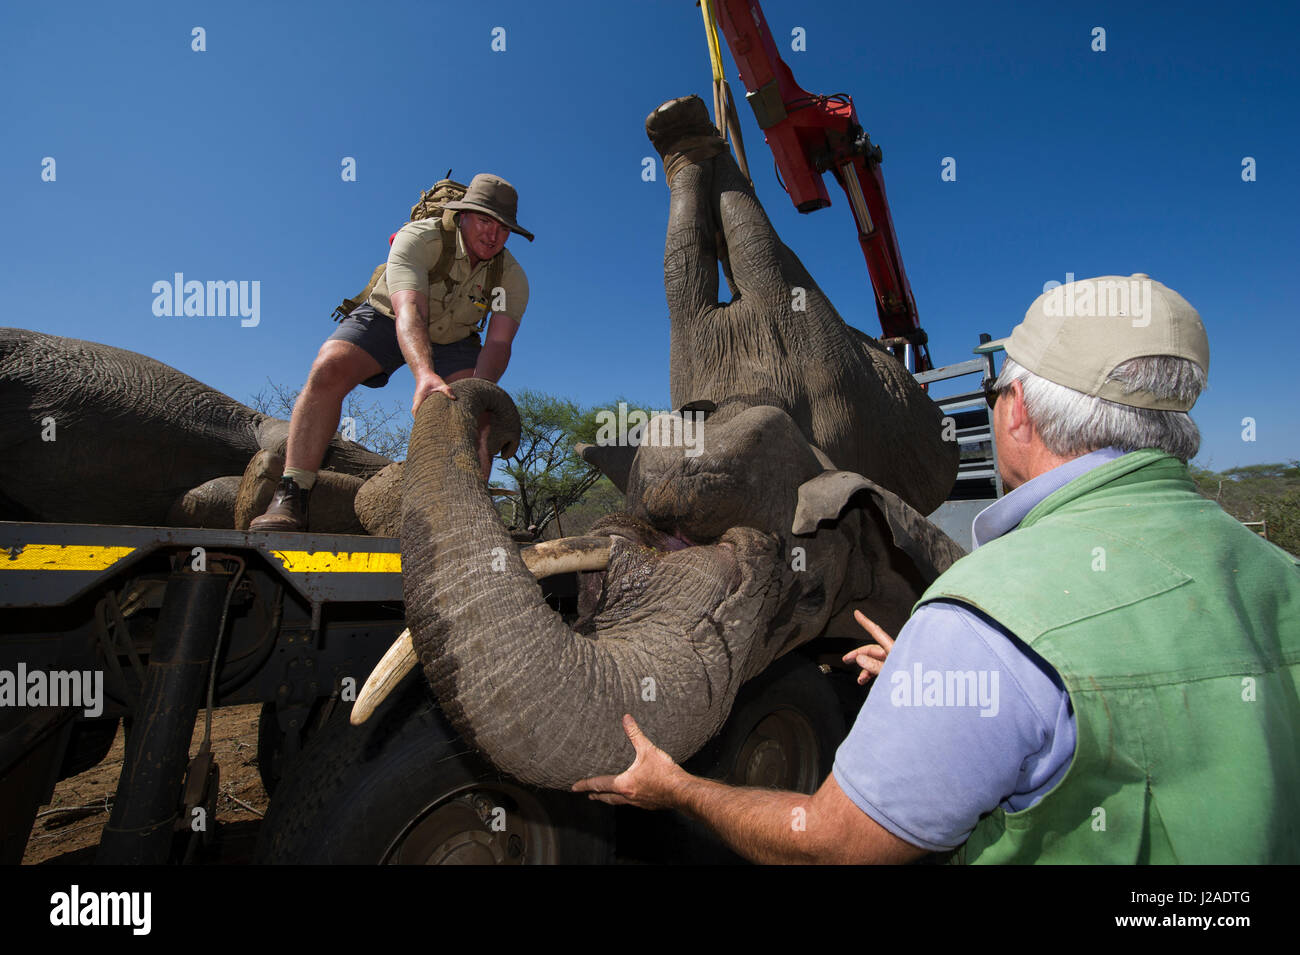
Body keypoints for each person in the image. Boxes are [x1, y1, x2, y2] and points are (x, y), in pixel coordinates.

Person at [574, 273, 1300, 864]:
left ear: (1016, 413)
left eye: (995, 392)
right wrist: (942, 673)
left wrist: (681, 788)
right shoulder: (1282, 575)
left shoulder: (989, 609)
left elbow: (831, 846)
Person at [250, 173, 532, 531]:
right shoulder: (419, 238)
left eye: (504, 228)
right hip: (390, 317)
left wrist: (477, 395)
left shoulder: (512, 277)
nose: (493, 236)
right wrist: (424, 374)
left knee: (477, 415)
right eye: (484, 221)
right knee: (330, 366)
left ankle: (465, 518)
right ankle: (293, 491)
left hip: (455, 339)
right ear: (462, 215)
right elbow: (410, 310)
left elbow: (498, 343)